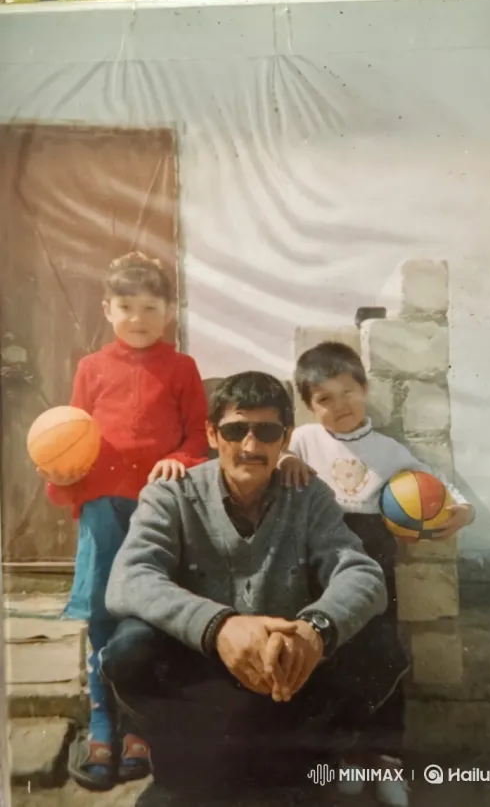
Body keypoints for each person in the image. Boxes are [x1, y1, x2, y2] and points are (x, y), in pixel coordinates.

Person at [100, 371, 408, 800]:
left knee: (380, 647)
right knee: (129, 648)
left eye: (266, 432)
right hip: (203, 672)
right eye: (235, 430)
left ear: (284, 438)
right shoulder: (172, 495)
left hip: (286, 672)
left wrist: (314, 629)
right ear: (211, 433)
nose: (250, 446)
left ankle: (304, 755)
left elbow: (360, 572)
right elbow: (130, 578)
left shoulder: (307, 495)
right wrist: (220, 627)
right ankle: (196, 759)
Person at [278, 341, 476, 806]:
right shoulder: (304, 442)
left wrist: (460, 511)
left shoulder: (387, 450)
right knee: (325, 658)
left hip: (373, 558)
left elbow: (435, 486)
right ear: (308, 407)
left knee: (383, 656)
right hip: (317, 560)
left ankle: (384, 758)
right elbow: (277, 462)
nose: (339, 405)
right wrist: (286, 460)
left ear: (364, 388)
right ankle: (338, 758)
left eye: (347, 391)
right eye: (323, 399)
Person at [39, 252, 208, 790]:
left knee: (154, 613)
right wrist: (60, 471)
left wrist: (179, 461)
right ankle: (101, 726)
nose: (138, 318)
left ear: (169, 312)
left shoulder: (181, 368)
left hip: (159, 510)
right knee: (102, 617)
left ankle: (141, 728)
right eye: (127, 306)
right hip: (103, 510)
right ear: (107, 309)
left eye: (151, 307)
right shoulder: (91, 369)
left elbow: (198, 440)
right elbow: (70, 437)